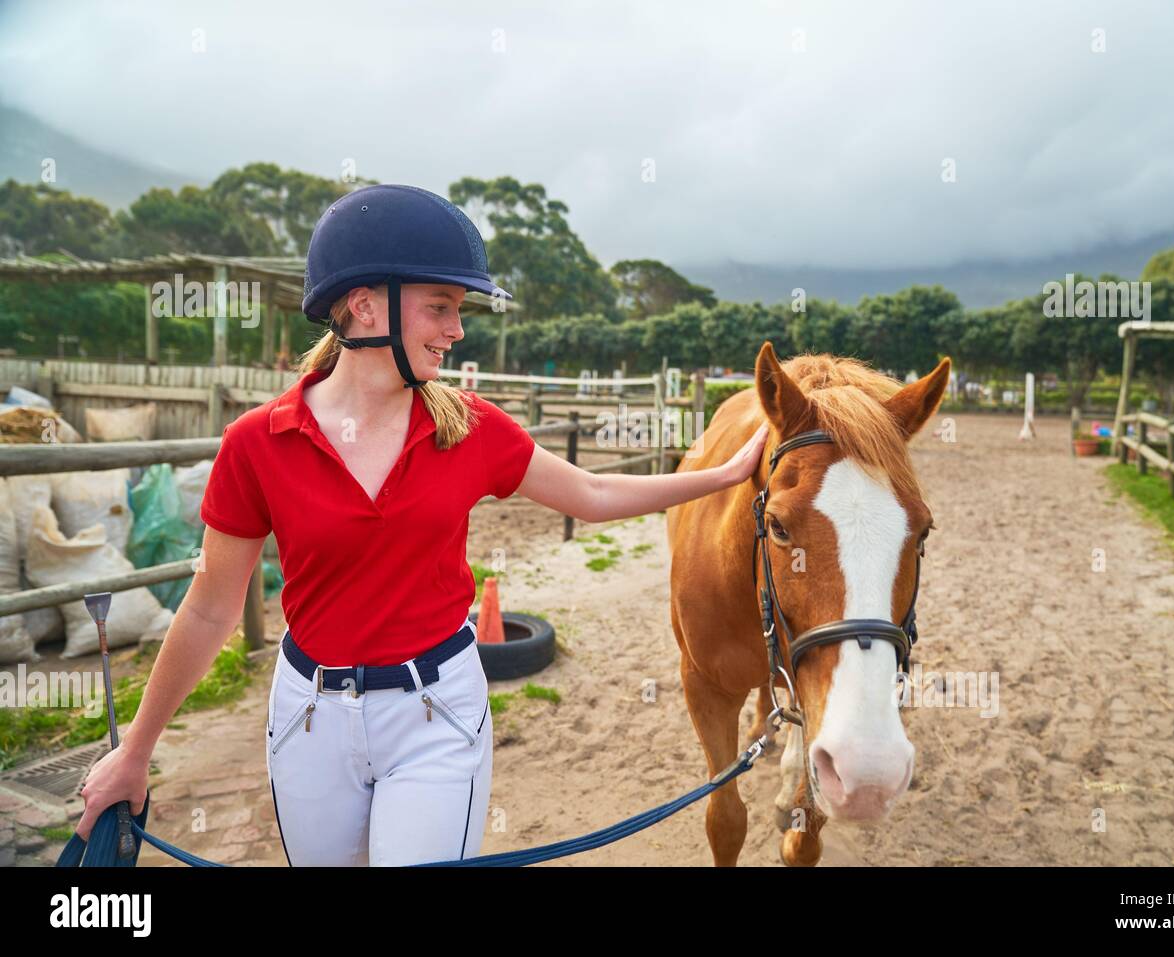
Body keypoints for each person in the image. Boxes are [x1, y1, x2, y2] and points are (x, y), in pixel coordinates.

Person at [72, 184, 769, 866]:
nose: (457, 330)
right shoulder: (257, 444)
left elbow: (588, 492)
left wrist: (721, 474)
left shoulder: (470, 428)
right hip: (309, 716)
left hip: (436, 711)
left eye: (459, 310)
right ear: (365, 305)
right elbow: (209, 608)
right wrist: (134, 752)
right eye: (440, 307)